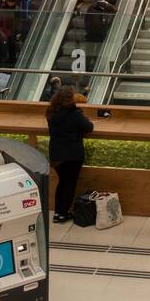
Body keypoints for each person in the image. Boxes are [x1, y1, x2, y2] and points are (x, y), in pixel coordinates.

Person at [46, 86, 93, 223]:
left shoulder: (51, 112)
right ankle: (63, 213)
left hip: (56, 155)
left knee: (62, 183)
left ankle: (58, 213)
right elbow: (89, 127)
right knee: (69, 184)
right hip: (73, 155)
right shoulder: (75, 114)